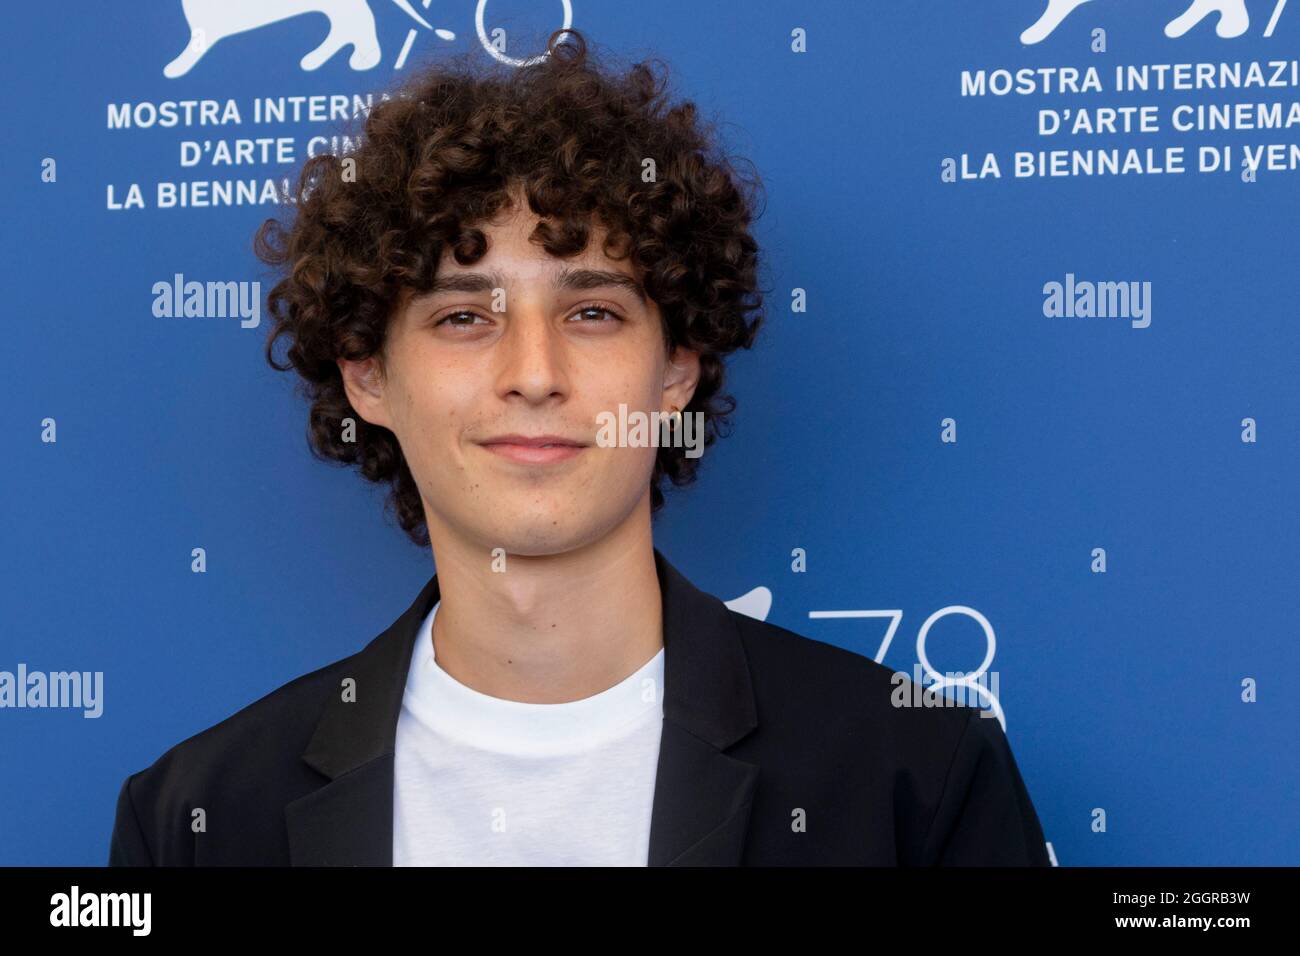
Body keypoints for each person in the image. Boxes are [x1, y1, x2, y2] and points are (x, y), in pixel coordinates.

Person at [108, 28, 1050, 867]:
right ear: (368, 378)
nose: (533, 371)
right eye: (465, 315)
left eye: (592, 311)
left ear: (676, 371)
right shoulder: (198, 819)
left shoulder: (916, 779)